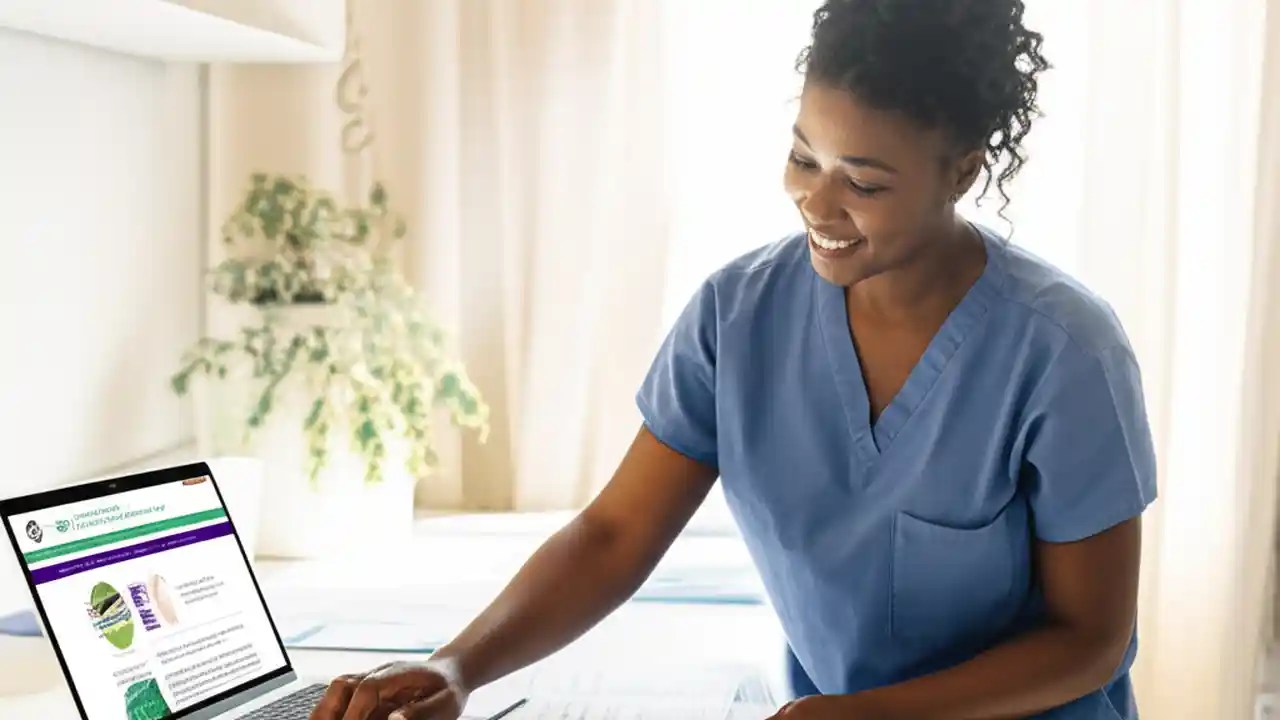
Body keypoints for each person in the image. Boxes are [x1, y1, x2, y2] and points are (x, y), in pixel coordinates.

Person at [310, 1, 1156, 718]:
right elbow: (612, 536)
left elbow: (1090, 640)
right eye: (802, 157)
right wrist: (458, 667)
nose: (816, 201)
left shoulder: (1063, 352)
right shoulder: (739, 314)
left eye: (863, 183)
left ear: (961, 173)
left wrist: (863, 717)